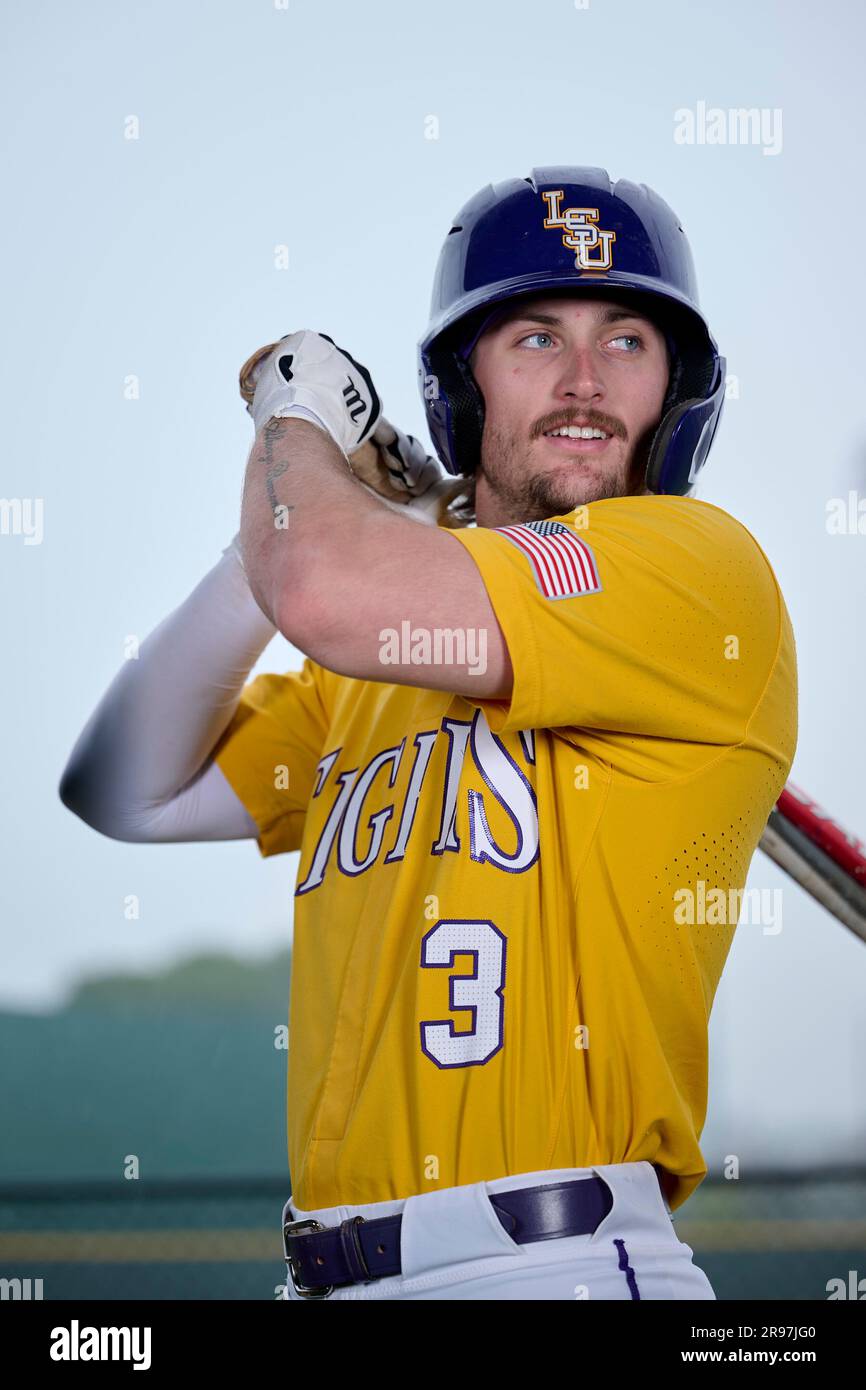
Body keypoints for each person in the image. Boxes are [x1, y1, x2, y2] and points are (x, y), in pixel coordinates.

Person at [59, 167, 797, 1300]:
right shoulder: (361, 668)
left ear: (677, 390)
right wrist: (266, 545)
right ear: (464, 387)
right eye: (535, 338)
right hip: (323, 1272)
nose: (585, 380)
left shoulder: (696, 571)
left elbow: (322, 583)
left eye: (629, 341)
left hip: (556, 1265)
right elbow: (118, 787)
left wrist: (296, 412)